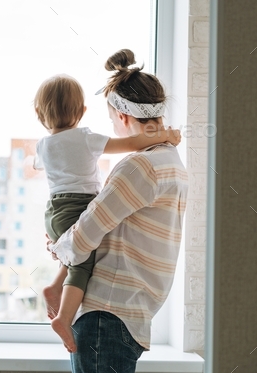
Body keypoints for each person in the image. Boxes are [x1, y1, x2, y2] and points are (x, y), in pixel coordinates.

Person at [47, 49, 188, 373]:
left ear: (123, 117)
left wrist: (58, 247)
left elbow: (83, 238)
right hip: (131, 315)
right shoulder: (172, 164)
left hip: (105, 316)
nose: (113, 127)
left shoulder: (139, 167)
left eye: (112, 120)